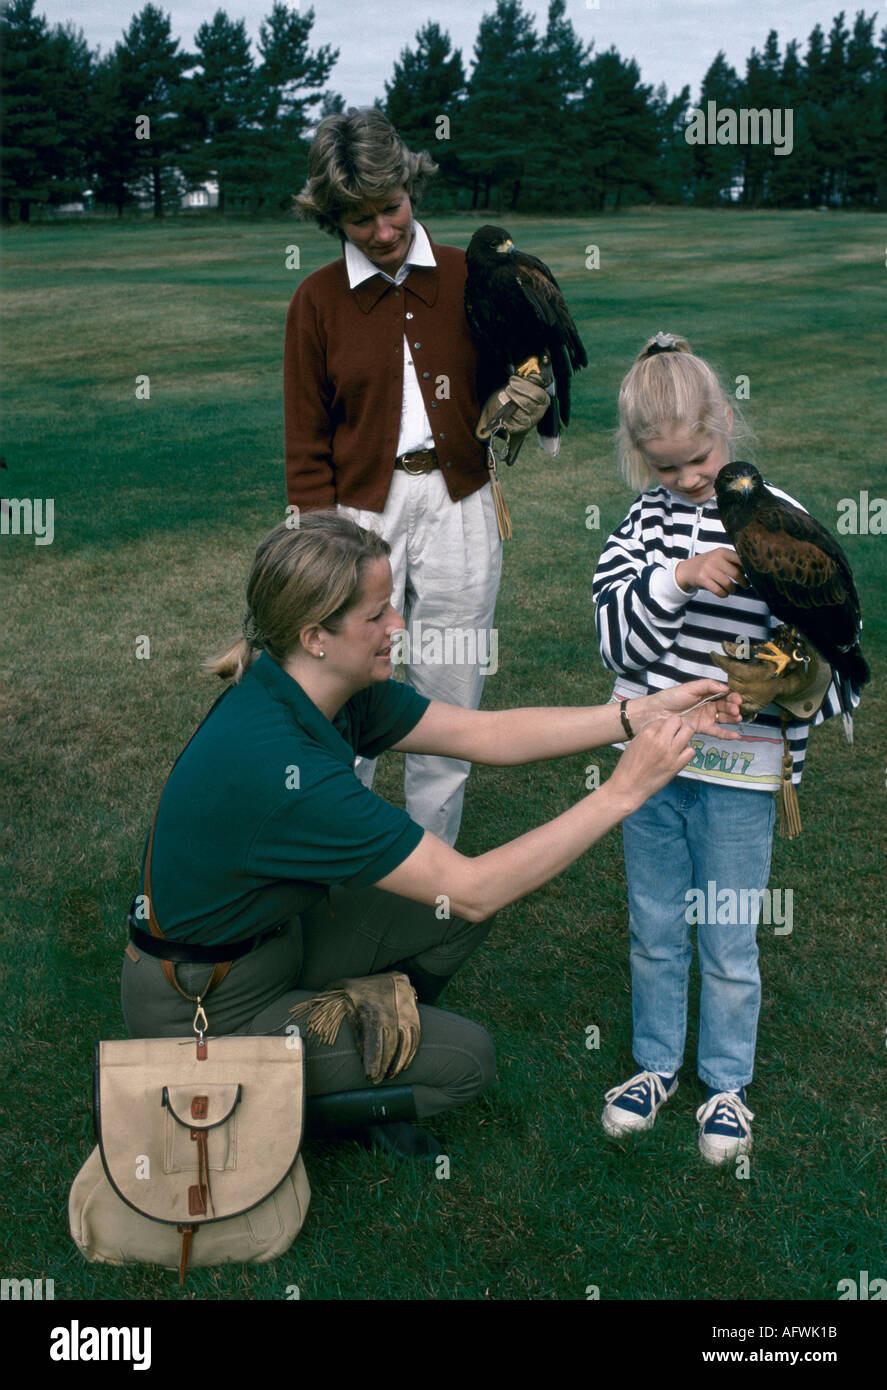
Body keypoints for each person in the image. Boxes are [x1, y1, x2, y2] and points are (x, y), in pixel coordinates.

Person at [122, 511, 740, 1160]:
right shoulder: (283, 768)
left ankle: (357, 1046)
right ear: (316, 636)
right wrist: (623, 790)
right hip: (206, 1011)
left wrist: (633, 713)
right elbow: (472, 888)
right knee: (465, 1060)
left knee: (443, 914)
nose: (399, 626)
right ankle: (279, 1104)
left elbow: (484, 736)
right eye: (376, 616)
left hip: (274, 943)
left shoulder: (319, 685)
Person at [592, 332, 851, 1164]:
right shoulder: (639, 527)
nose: (688, 479)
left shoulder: (781, 521)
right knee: (655, 923)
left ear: (725, 427)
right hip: (652, 764)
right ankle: (655, 1066)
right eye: (665, 467)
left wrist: (789, 681)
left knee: (728, 933)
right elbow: (616, 647)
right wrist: (676, 578)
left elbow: (830, 656)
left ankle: (726, 1082)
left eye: (698, 458)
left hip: (742, 768)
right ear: (639, 460)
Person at [284, 108, 546, 848]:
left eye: (390, 207)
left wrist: (528, 392)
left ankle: (428, 882)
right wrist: (315, 543)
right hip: (354, 518)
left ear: (411, 187)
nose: (382, 231)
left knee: (448, 700)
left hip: (460, 505)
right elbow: (304, 441)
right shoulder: (316, 300)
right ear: (331, 217)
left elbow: (523, 369)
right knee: (347, 703)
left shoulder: (473, 273)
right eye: (358, 219)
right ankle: (351, 867)